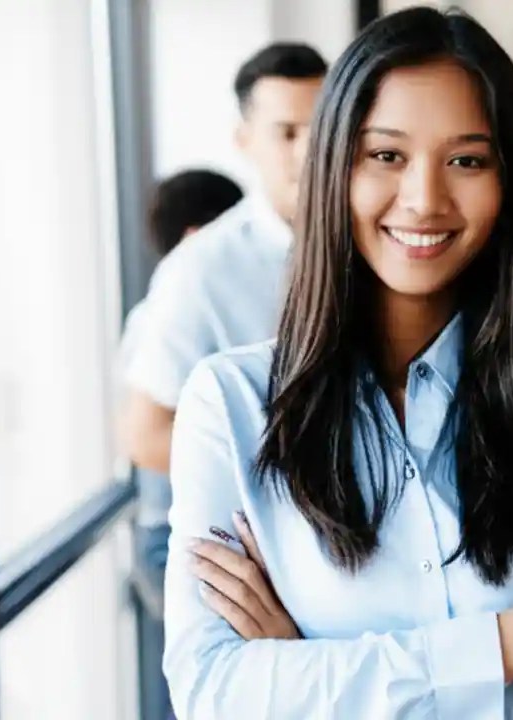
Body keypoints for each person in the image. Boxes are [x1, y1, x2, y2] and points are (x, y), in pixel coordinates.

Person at [164, 8, 513, 719]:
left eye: (467, 160)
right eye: (386, 155)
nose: (424, 198)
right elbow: (214, 694)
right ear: (333, 168)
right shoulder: (231, 402)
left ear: (509, 183)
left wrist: (308, 675)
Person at [121, 42, 327, 476]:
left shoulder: (381, 238)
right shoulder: (199, 267)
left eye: (323, 129)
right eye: (287, 132)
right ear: (244, 140)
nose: (309, 152)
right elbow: (146, 435)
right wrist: (285, 477)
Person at [117, 168, 242, 720]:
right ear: (198, 240)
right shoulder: (167, 315)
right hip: (171, 537)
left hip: (170, 531)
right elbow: (143, 437)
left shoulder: (152, 313)